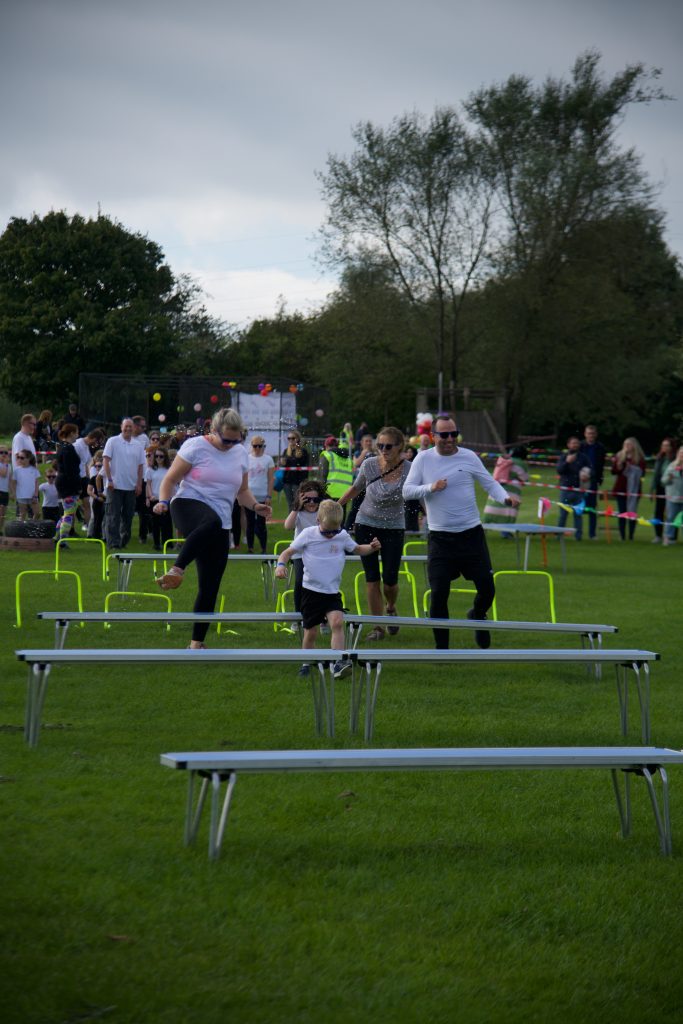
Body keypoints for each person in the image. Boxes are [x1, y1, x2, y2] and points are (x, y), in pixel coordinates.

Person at [152, 407, 270, 650]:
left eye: (235, 440)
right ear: (214, 431)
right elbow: (170, 480)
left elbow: (242, 492)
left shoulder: (239, 453)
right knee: (212, 521)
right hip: (187, 506)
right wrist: (163, 501)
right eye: (225, 439)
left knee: (210, 585)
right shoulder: (195, 446)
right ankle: (177, 569)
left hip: (220, 522)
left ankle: (196, 643)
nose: (229, 444)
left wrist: (256, 505)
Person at [402, 414, 520, 649]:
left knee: (487, 587)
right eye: (444, 435)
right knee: (438, 593)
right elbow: (407, 491)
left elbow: (489, 483)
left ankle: (477, 614)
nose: (449, 439)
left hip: (471, 534)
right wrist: (430, 487)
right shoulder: (423, 459)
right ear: (433, 436)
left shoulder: (469, 456)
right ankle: (442, 649)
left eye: (453, 434)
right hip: (440, 537)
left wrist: (505, 498)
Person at [275, 499, 381, 678]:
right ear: (318, 521)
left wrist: (370, 547)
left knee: (338, 623)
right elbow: (287, 552)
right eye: (328, 531)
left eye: (335, 530)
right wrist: (280, 565)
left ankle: (339, 662)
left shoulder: (342, 536)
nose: (332, 534)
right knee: (311, 631)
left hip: (332, 592)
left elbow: (357, 549)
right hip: (311, 592)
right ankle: (306, 662)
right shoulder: (308, 534)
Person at [338, 426, 412, 641]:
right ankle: (377, 627)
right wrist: (336, 506)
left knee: (390, 579)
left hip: (394, 527)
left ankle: (390, 606)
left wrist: (431, 515)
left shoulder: (409, 468)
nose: (383, 450)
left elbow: (419, 493)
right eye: (380, 445)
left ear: (400, 447)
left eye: (388, 446)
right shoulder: (370, 464)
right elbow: (356, 488)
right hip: (366, 524)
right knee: (372, 578)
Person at [283, 479, 331, 620]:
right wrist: (296, 507)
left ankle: (322, 618)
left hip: (321, 554)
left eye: (315, 499)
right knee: (300, 582)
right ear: (301, 498)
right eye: (307, 499)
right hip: (300, 554)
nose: (311, 503)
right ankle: (299, 616)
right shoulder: (299, 512)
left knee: (322, 584)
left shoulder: (324, 511)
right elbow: (288, 526)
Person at [102, 418, 146, 550]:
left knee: (128, 516)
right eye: (126, 426)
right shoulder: (113, 441)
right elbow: (106, 460)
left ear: (134, 428)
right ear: (121, 427)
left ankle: (123, 541)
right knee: (113, 515)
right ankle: (113, 543)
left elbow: (140, 466)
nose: (128, 429)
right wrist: (109, 479)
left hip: (131, 487)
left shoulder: (138, 445)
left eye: (130, 427)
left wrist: (139, 484)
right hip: (115, 486)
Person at [483, 446, 529, 537]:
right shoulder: (521, 464)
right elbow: (524, 479)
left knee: (492, 508)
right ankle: (506, 532)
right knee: (509, 511)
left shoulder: (505, 460)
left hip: (498, 488)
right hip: (512, 490)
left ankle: (483, 529)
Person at [556, 437, 591, 540]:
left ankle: (578, 536)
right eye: (573, 443)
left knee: (578, 514)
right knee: (563, 514)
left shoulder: (584, 458)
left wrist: (588, 475)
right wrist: (567, 462)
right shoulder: (563, 457)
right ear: (568, 445)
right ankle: (559, 535)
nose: (575, 445)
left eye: (577, 443)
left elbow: (591, 470)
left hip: (579, 490)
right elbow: (559, 470)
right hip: (565, 489)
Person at [611, 437, 646, 540]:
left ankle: (631, 535)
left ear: (634, 446)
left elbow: (642, 473)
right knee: (622, 513)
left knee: (632, 513)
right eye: (625, 444)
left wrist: (631, 467)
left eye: (629, 444)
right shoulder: (619, 456)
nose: (627, 446)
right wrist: (619, 466)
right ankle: (622, 536)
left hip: (634, 489)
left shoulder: (639, 458)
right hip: (621, 488)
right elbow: (614, 471)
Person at [54, 424, 84, 544]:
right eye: (76, 432)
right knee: (69, 514)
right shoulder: (68, 449)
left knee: (67, 512)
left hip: (64, 482)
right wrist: (78, 486)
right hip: (68, 485)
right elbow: (70, 470)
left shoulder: (63, 447)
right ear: (71, 433)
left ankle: (57, 537)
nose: (78, 434)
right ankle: (63, 540)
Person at [246, 435, 274, 553]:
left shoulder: (268, 459)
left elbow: (271, 479)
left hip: (263, 495)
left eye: (259, 446)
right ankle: (250, 547)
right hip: (250, 496)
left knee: (262, 524)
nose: (257, 448)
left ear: (263, 446)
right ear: (251, 446)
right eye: (255, 446)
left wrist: (269, 495)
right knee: (250, 522)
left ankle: (263, 548)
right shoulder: (247, 458)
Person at [579, 425, 607, 539]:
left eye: (593, 433)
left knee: (592, 507)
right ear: (585, 434)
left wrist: (599, 478)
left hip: (594, 479)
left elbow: (601, 465)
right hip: (580, 479)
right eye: (588, 433)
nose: (591, 435)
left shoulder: (600, 447)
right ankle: (578, 533)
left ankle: (592, 534)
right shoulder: (580, 446)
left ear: (596, 434)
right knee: (579, 507)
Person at [145, 446, 174, 550]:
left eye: (161, 456)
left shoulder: (169, 469)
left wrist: (171, 496)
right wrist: (149, 496)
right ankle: (156, 544)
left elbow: (172, 483)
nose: (158, 458)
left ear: (165, 457)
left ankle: (168, 543)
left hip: (166, 499)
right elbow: (148, 484)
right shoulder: (150, 470)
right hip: (155, 498)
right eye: (156, 456)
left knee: (167, 522)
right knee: (155, 523)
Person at [651, 437, 677, 544]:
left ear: (671, 447)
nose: (664, 447)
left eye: (667, 445)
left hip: (672, 488)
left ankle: (671, 537)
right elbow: (655, 475)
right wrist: (652, 489)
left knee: (672, 513)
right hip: (660, 488)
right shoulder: (659, 458)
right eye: (663, 445)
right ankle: (658, 535)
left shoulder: (675, 459)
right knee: (658, 512)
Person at [318, 437, 354, 511]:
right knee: (340, 518)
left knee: (328, 518)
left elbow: (322, 475)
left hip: (330, 492)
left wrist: (321, 491)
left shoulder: (327, 455)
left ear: (326, 446)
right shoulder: (348, 458)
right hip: (345, 493)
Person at [279, 430, 309, 511]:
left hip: (298, 482)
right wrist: (282, 463)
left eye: (293, 438)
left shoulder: (303, 451)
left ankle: (298, 522)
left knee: (298, 503)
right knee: (290, 503)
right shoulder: (286, 451)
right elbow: (284, 466)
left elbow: (305, 468)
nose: (291, 440)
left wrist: (304, 482)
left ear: (298, 439)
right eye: (289, 438)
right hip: (287, 481)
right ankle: (290, 523)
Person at [662, 445, 683, 546]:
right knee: (671, 517)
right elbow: (663, 481)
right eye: (681, 453)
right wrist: (669, 478)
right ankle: (667, 538)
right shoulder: (672, 466)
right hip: (672, 497)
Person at [13, 449, 40, 521]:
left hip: (32, 496)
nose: (19, 459)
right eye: (18, 457)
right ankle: (21, 531)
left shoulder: (34, 470)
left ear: (28, 459)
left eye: (22, 458)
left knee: (37, 513)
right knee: (23, 515)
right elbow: (14, 483)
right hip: (21, 496)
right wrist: (13, 493)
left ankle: (31, 527)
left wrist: (36, 495)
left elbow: (37, 483)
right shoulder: (16, 470)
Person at [0, 445, 12, 533]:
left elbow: (10, 480)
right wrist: (6, 463)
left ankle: (0, 530)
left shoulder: (9, 466)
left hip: (5, 492)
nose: (4, 454)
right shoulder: (4, 465)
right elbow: (3, 474)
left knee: (3, 514)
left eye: (6, 453)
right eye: (1, 452)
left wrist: (12, 492)